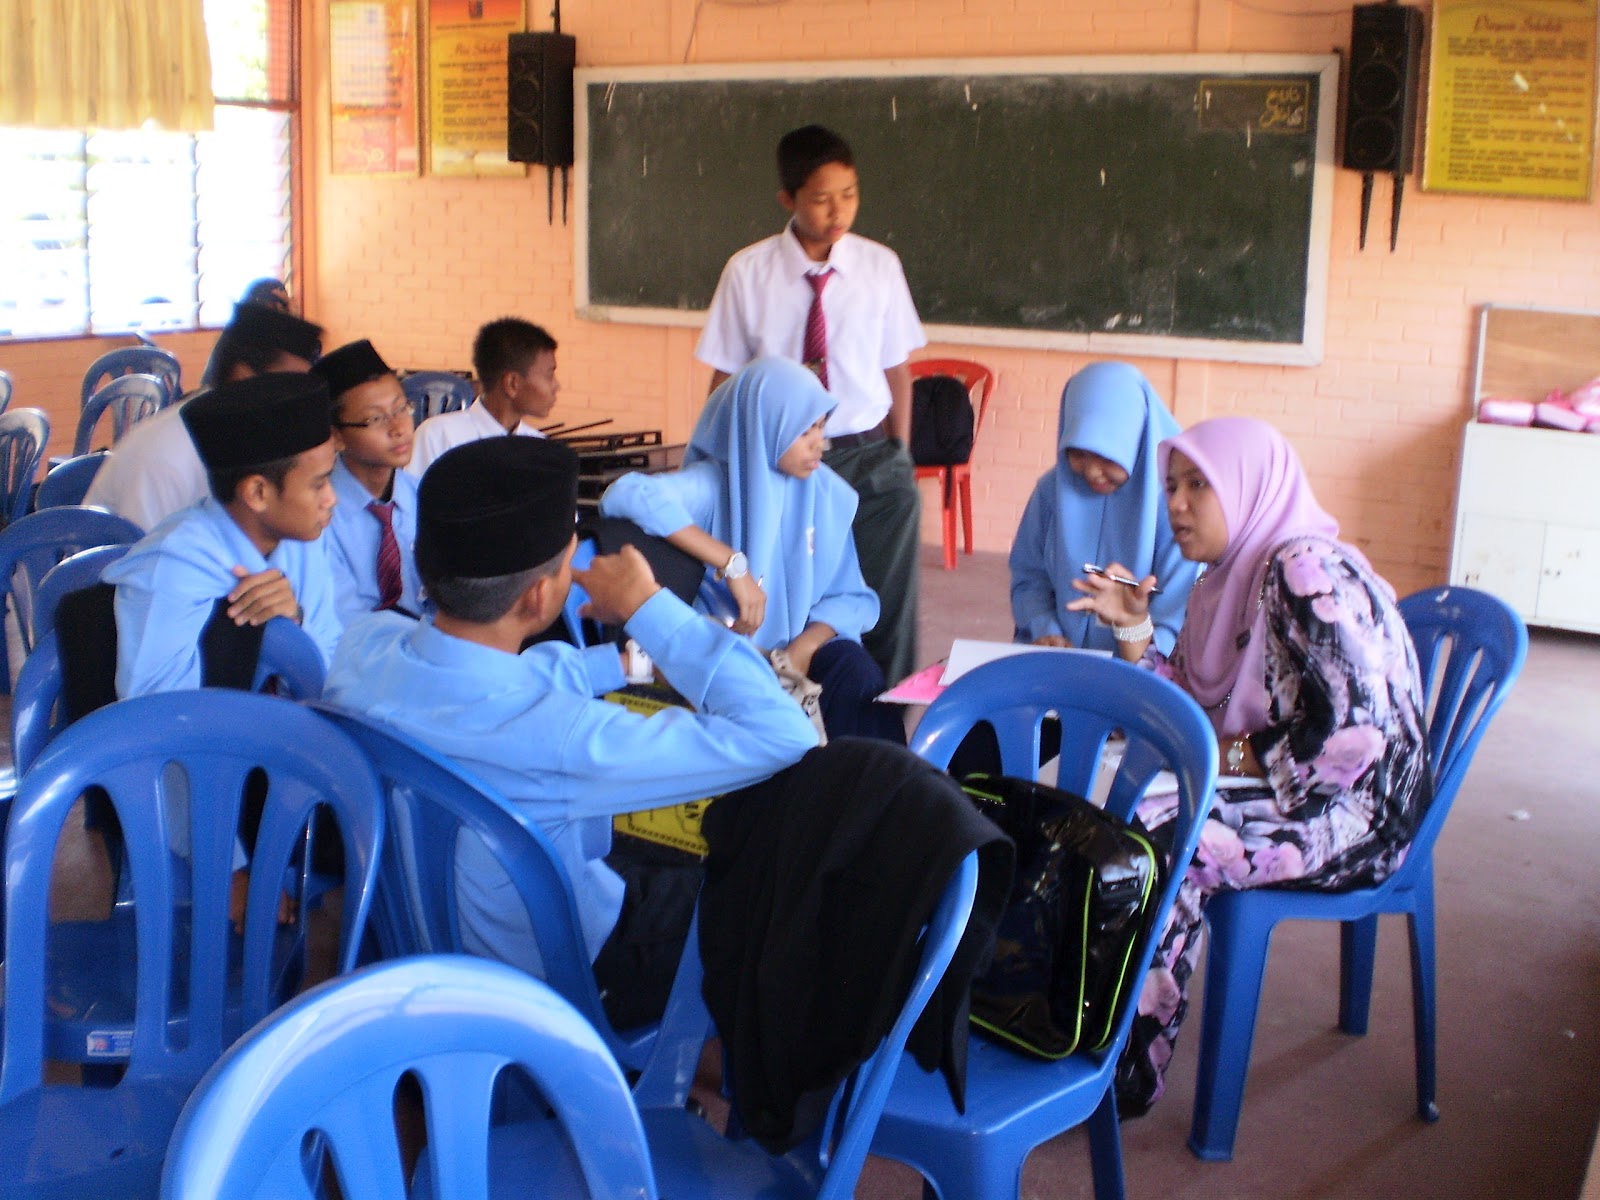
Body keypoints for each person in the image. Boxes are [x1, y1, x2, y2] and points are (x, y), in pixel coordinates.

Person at [324, 436, 820, 1028]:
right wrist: (651, 608)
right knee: (757, 891)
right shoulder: (563, 738)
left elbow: (484, 675)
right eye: (569, 560)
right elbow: (783, 734)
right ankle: (704, 1070)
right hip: (557, 981)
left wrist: (621, 665)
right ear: (540, 596)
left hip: (414, 941)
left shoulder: (366, 647)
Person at [1065, 415, 1432, 1114]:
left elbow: (1346, 745)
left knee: (1163, 828)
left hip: (1362, 812)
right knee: (1128, 797)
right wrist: (1135, 630)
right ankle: (1084, 1017)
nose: (1176, 503)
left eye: (1198, 484)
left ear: (1248, 485)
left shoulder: (1303, 570)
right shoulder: (1222, 585)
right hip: (1298, 786)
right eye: (1171, 485)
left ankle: (1123, 1067)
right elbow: (1199, 722)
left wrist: (1210, 767)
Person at [696, 124, 926, 686]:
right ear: (788, 199)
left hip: (869, 454)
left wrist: (901, 454)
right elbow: (725, 378)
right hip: (783, 464)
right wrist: (717, 460)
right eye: (821, 199)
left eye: (849, 194)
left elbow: (898, 372)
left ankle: (883, 718)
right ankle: (799, 711)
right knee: (789, 597)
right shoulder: (746, 274)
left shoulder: (879, 267)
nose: (838, 211)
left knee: (884, 601)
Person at [601, 357, 904, 742]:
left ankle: (884, 795)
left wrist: (801, 649)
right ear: (764, 427)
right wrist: (732, 564)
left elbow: (851, 596)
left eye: (821, 428)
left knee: (856, 675)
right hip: (726, 655)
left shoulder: (827, 495)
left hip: (798, 650)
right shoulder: (714, 484)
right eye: (803, 430)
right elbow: (626, 493)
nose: (819, 444)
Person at [103, 371, 343, 699]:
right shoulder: (173, 565)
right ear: (258, 492)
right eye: (319, 484)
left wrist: (294, 626)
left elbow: (335, 673)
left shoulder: (302, 541)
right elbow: (155, 712)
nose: (332, 499)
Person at [1009, 361, 1201, 654]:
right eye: (1078, 454)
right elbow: (1029, 578)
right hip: (1056, 660)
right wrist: (1045, 629)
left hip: (1144, 672)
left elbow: (1178, 611)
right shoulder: (1052, 492)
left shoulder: (1174, 505)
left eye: (1107, 456)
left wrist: (1141, 650)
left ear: (1138, 440)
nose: (1092, 472)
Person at [84, 302, 325, 531]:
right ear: (243, 376)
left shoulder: (255, 439)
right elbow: (145, 562)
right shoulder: (167, 452)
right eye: (288, 387)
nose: (297, 402)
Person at [313, 339, 423, 622]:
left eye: (401, 409)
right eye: (375, 419)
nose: (398, 428)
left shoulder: (423, 498)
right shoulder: (317, 516)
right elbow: (338, 618)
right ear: (336, 436)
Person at [408, 317, 556, 475]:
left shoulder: (539, 447)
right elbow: (411, 497)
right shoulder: (438, 436)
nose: (556, 386)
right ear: (512, 383)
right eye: (549, 375)